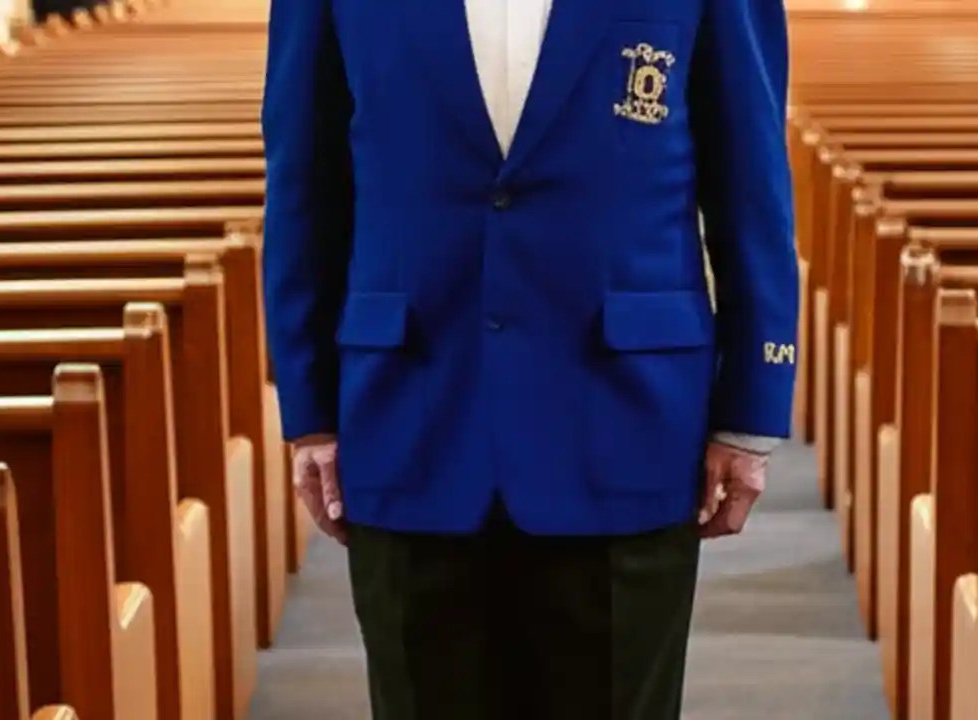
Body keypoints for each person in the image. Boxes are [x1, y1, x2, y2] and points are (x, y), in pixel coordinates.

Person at [261, 0, 798, 715]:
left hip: (625, 413)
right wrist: (311, 411)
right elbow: (303, 185)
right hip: (412, 408)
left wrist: (750, 411)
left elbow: (752, 178)